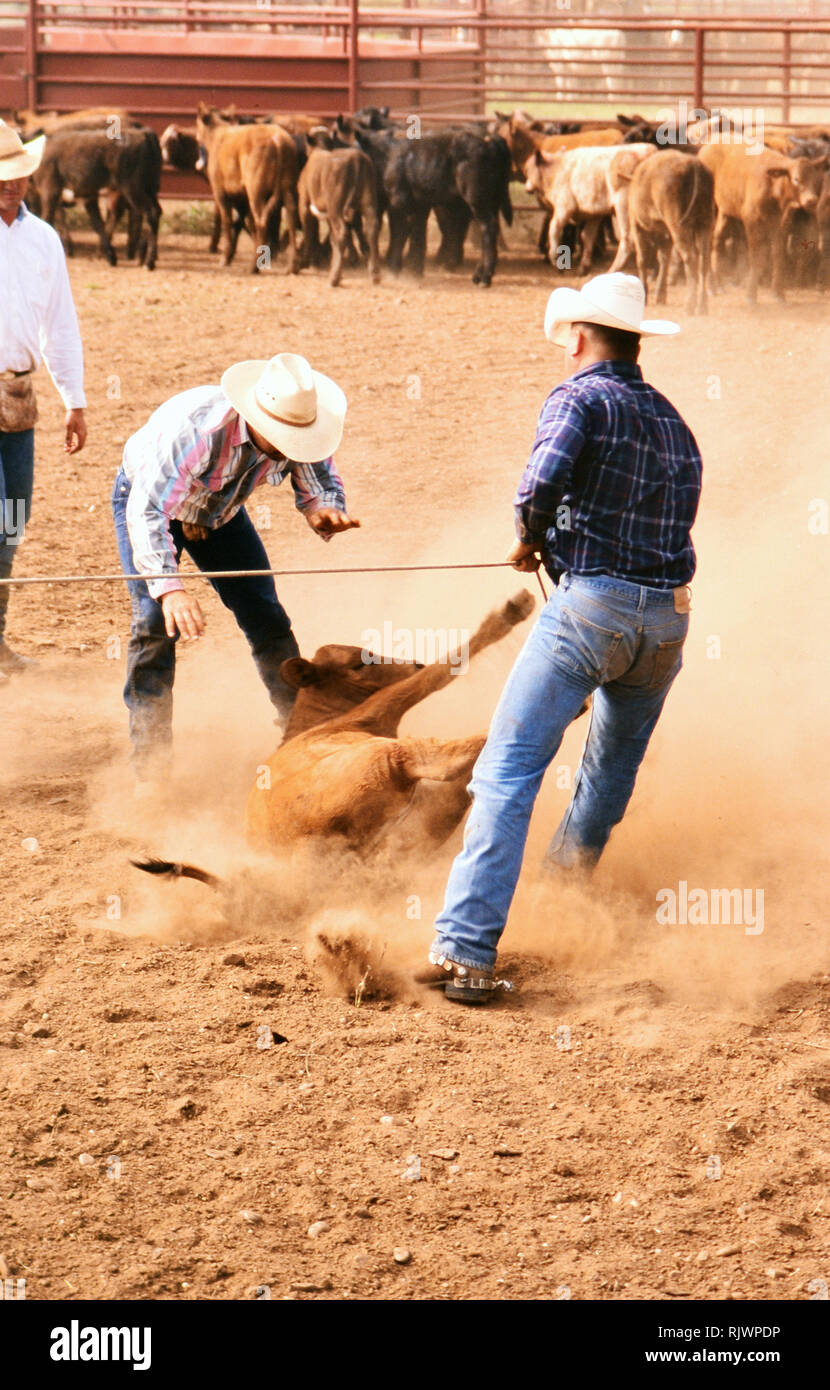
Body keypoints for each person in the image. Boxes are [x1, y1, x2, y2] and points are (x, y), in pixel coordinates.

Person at [420, 272, 702, 1005]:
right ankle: (563, 896)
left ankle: (466, 951)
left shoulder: (579, 397)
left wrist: (531, 536)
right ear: (636, 340)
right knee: (607, 774)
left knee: (508, 771)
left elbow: (540, 480)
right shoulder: (674, 422)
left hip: (590, 610)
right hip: (668, 619)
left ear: (578, 336)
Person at [112, 351, 359, 784]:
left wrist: (322, 508)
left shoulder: (299, 425)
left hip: (219, 512)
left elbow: (317, 474)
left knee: (266, 614)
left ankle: (299, 736)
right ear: (259, 421)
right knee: (154, 623)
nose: (295, 446)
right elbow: (147, 510)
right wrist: (170, 588)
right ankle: (150, 771)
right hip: (150, 504)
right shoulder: (196, 434)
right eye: (286, 437)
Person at [0, 122, 87, 682]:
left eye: (19, 175)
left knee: (11, 524)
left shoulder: (44, 239)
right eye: (4, 178)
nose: (13, 186)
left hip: (19, 397)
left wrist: (75, 399)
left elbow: (61, 324)